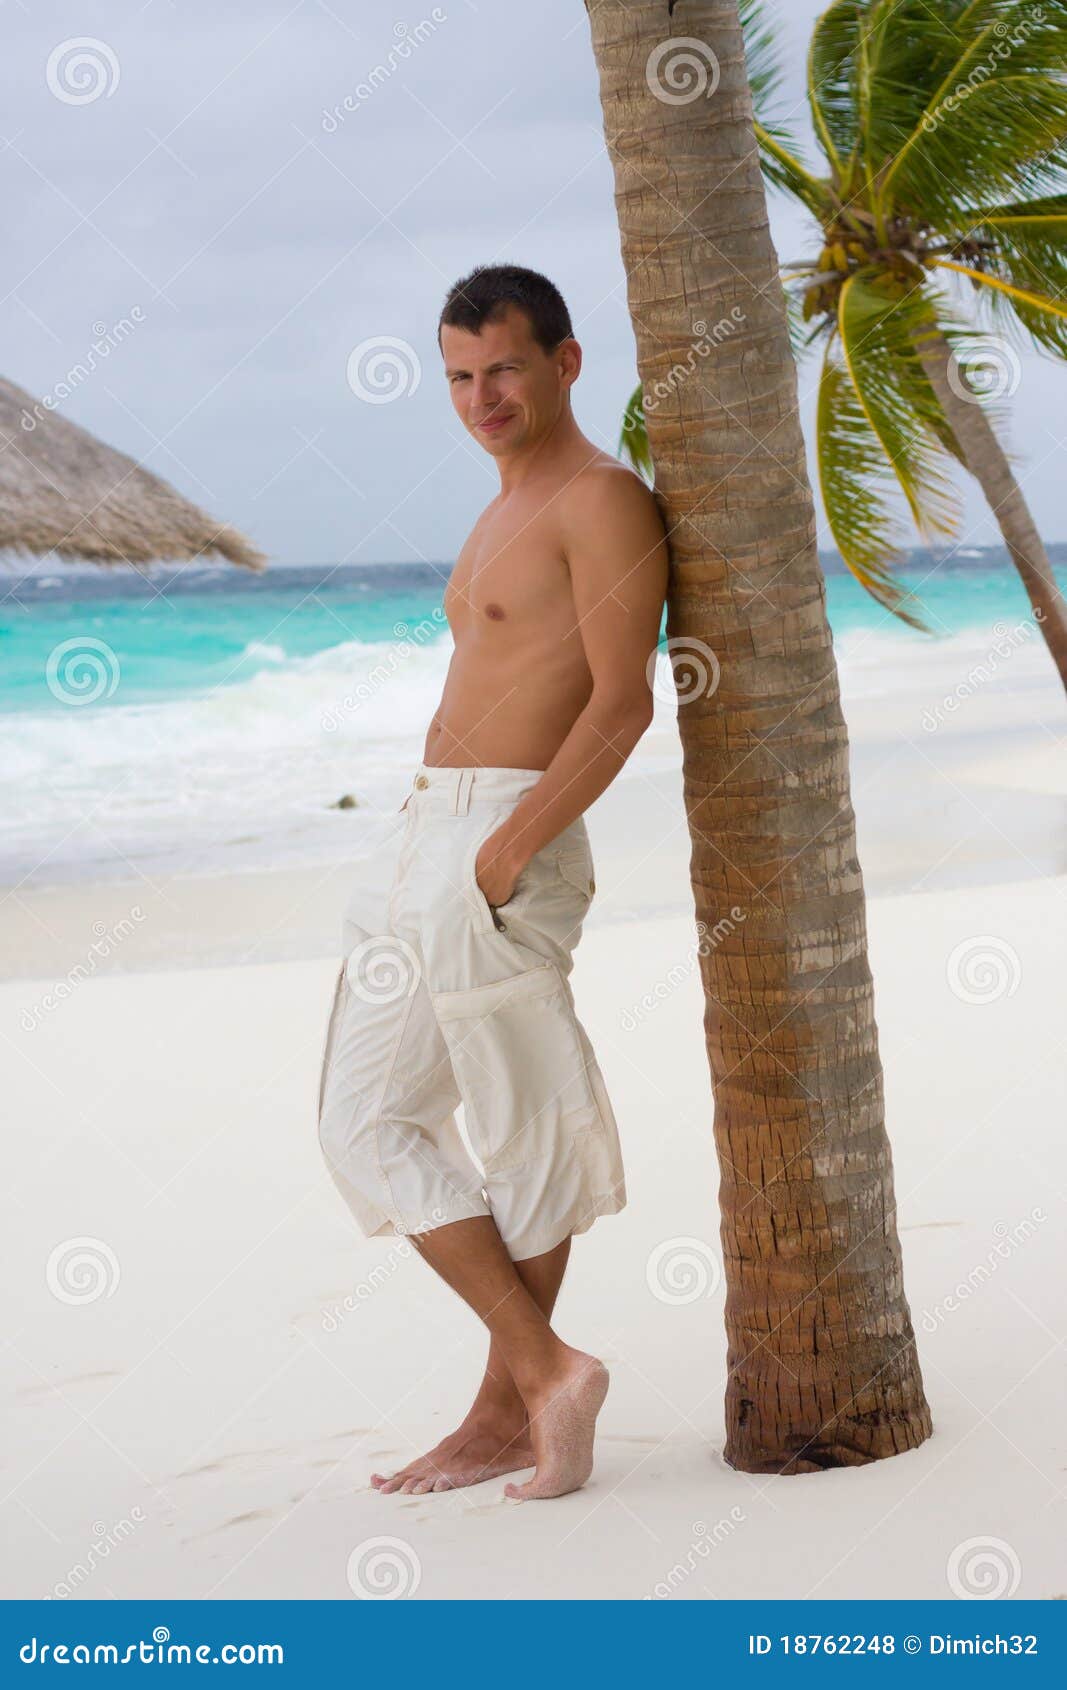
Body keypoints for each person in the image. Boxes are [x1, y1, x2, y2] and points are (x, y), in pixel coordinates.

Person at [318, 263, 669, 1501]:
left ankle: (504, 1411)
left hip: (503, 838)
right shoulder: (499, 504)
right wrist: (440, 836)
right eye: (460, 376)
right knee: (362, 1120)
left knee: (523, 1128)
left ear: (565, 362)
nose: (482, 397)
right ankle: (541, 1371)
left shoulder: (600, 500)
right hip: (426, 836)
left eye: (504, 368)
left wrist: (509, 845)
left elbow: (621, 703)